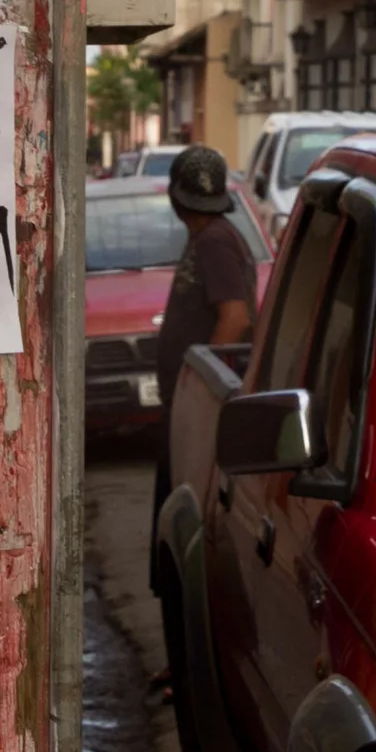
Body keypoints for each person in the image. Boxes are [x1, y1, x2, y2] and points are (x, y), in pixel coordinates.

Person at [152, 146, 257, 524]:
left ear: (175, 197)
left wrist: (199, 387)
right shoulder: (211, 236)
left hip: (199, 413)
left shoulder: (215, 241)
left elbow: (235, 317)